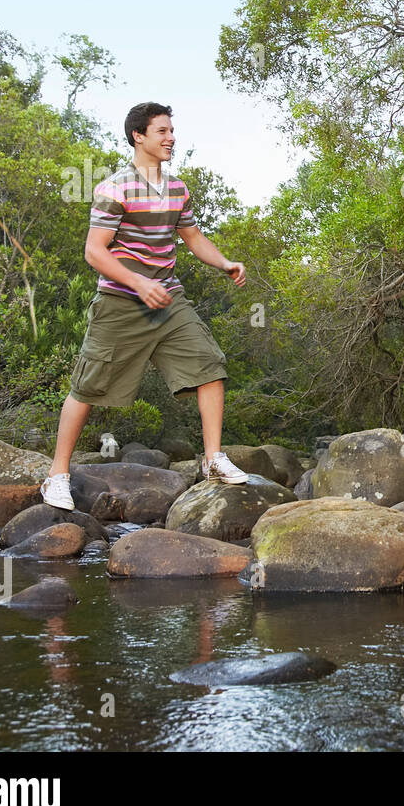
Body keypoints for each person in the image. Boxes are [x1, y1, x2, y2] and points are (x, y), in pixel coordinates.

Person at [40, 102, 250, 510]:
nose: (171, 138)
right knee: (87, 386)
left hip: (168, 299)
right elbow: (94, 252)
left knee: (209, 367)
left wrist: (225, 262)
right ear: (138, 136)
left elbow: (193, 238)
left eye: (172, 131)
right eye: (162, 131)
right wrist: (138, 281)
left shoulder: (178, 189)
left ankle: (212, 460)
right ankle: (57, 476)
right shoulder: (114, 188)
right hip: (120, 302)